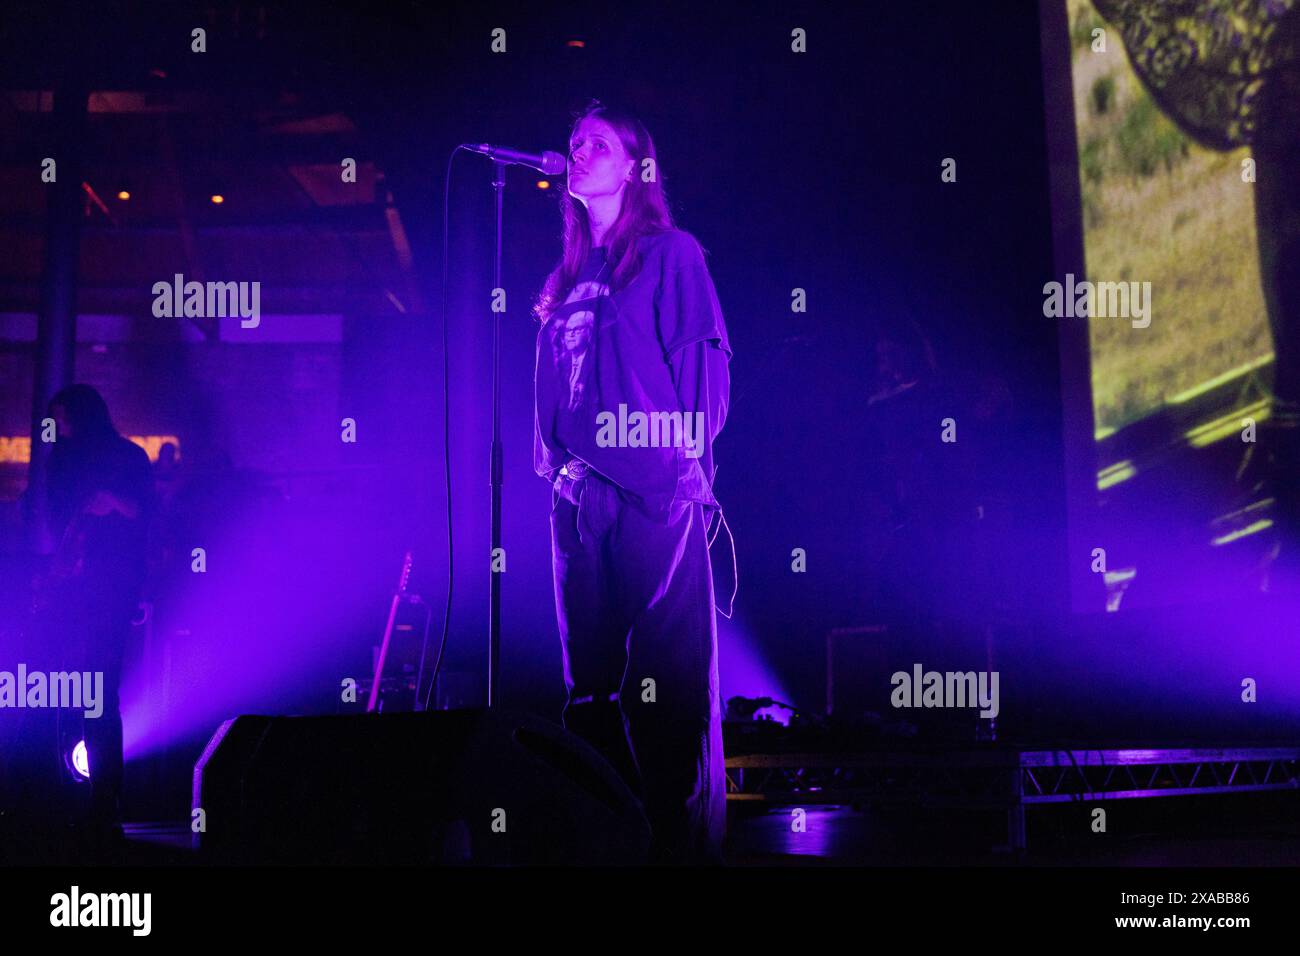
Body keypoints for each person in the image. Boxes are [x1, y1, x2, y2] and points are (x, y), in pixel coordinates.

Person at [533, 100, 733, 865]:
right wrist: (564, 477)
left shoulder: (672, 255)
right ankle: (608, 842)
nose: (577, 152)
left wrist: (681, 467)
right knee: (588, 688)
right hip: (582, 510)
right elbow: (549, 404)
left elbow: (704, 372)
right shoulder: (566, 279)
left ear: (633, 166)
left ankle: (675, 847)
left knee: (671, 687)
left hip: (656, 498)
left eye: (597, 144)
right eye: (573, 141)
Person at [37, 384, 154, 851]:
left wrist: (113, 504)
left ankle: (101, 801)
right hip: (78, 591)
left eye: (63, 420)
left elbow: (146, 517)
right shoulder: (64, 460)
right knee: (79, 693)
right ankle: (79, 797)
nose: (59, 428)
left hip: (103, 593)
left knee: (97, 695)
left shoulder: (126, 459)